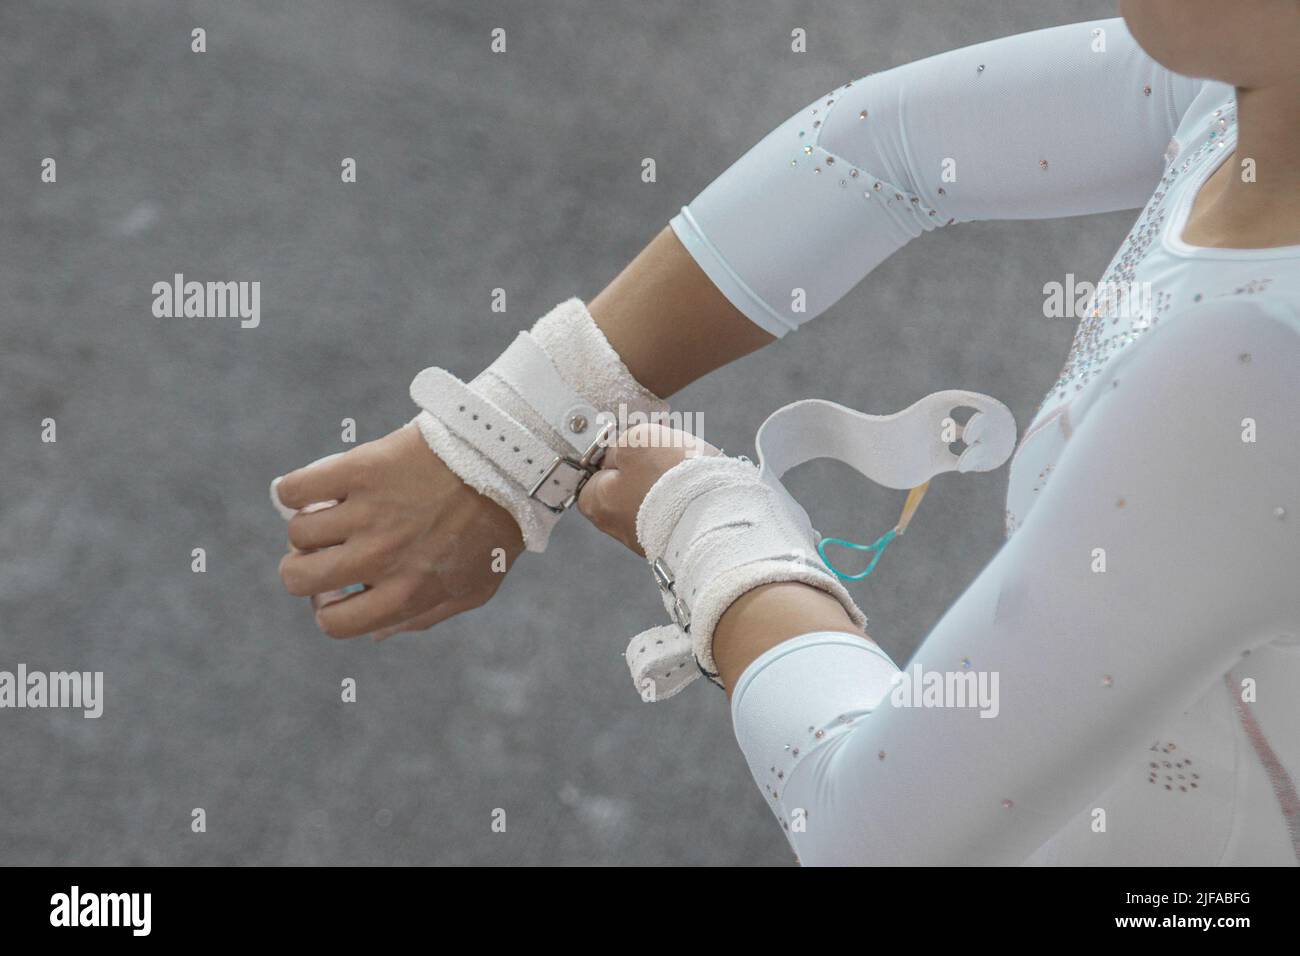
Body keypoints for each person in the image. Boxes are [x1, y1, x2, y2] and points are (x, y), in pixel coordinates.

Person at [275, 2, 1300, 863]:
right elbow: (878, 150)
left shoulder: (1253, 376)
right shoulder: (1249, 83)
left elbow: (870, 838)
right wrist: (515, 430)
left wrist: (706, 521)